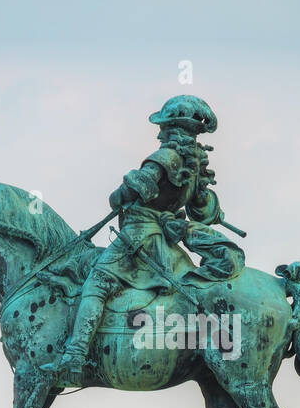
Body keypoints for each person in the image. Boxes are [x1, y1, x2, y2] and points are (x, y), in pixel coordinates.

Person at [41, 95, 244, 385]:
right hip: (167, 245)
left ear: (172, 127)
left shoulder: (165, 157)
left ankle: (74, 356)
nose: (159, 132)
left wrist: (124, 191)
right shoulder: (194, 164)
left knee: (96, 284)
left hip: (139, 238)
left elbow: (132, 192)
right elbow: (202, 209)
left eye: (163, 126)